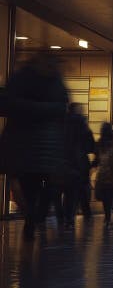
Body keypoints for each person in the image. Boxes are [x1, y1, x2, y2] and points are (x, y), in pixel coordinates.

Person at [0, 53, 70, 240]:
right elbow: (62, 109)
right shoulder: (56, 82)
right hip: (48, 145)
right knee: (46, 185)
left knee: (28, 184)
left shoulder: (19, 79)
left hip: (23, 144)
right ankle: (35, 215)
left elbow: (7, 104)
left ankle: (31, 216)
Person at [63, 103, 95, 228]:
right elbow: (90, 146)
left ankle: (69, 218)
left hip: (66, 162)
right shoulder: (83, 125)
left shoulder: (63, 124)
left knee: (69, 191)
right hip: (80, 163)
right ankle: (86, 214)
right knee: (82, 190)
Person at [94, 122, 113, 227]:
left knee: (105, 198)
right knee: (110, 196)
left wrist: (92, 165)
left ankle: (107, 217)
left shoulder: (100, 144)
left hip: (103, 174)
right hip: (111, 175)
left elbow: (97, 159)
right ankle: (108, 216)